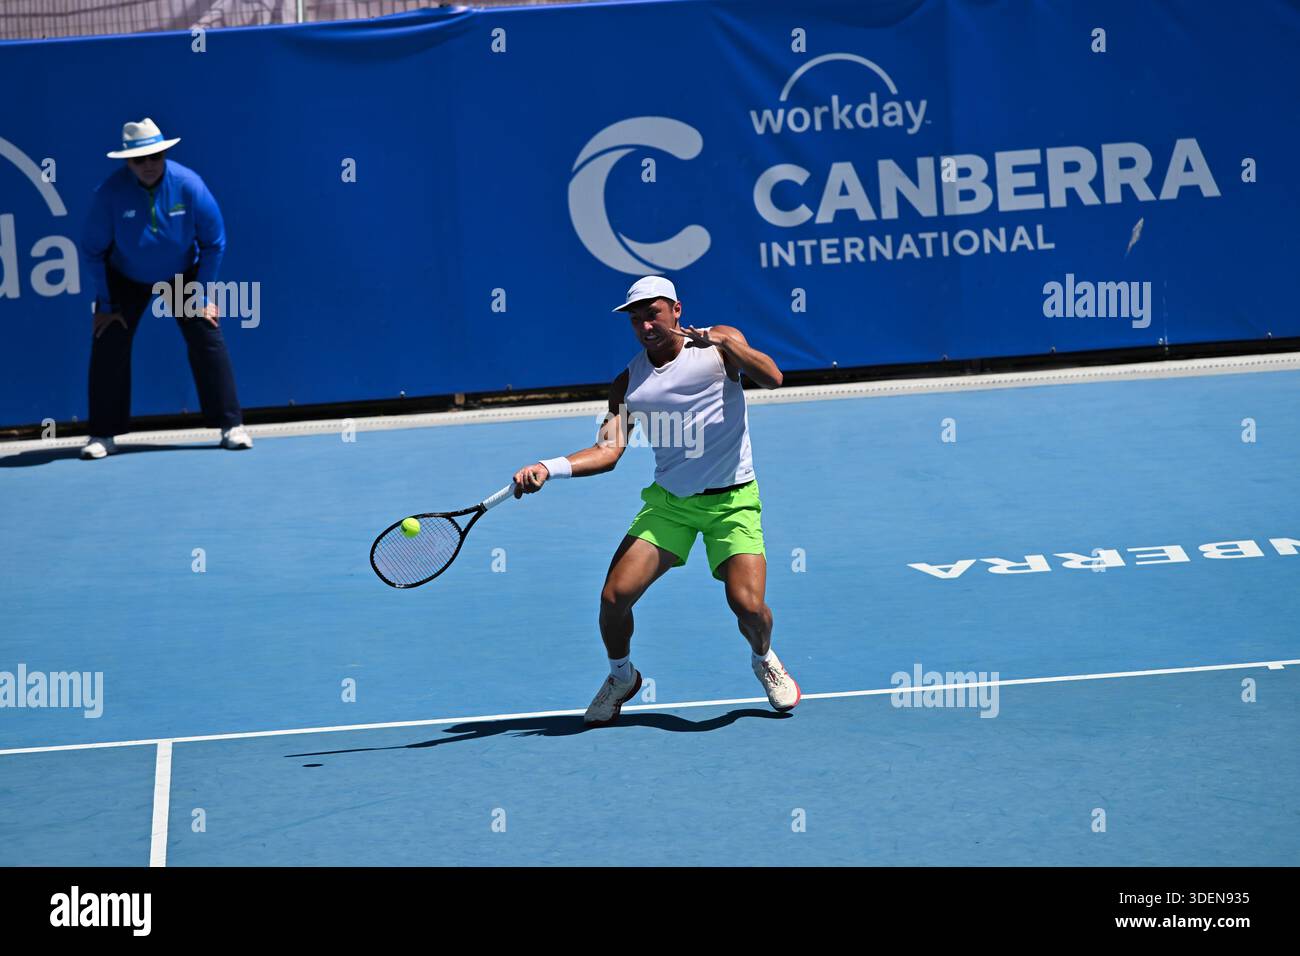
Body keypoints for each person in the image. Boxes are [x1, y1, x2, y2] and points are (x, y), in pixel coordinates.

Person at [512, 275, 799, 725]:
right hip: (671, 506)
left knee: (748, 607)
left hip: (734, 500)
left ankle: (763, 657)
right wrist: (550, 466)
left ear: (676, 310)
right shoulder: (629, 382)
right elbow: (608, 452)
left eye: (653, 314)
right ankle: (622, 676)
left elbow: (773, 377)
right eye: (636, 319)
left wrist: (725, 342)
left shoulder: (720, 347)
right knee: (613, 598)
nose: (646, 325)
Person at [79, 118, 251, 459]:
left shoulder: (189, 185)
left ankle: (231, 425)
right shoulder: (110, 194)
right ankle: (103, 434)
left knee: (206, 333)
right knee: (108, 337)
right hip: (125, 277)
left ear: (164, 154)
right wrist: (106, 302)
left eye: (155, 156)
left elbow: (214, 242)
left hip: (181, 274)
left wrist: (201, 295)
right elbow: (92, 250)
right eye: (139, 159)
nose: (148, 165)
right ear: (127, 162)